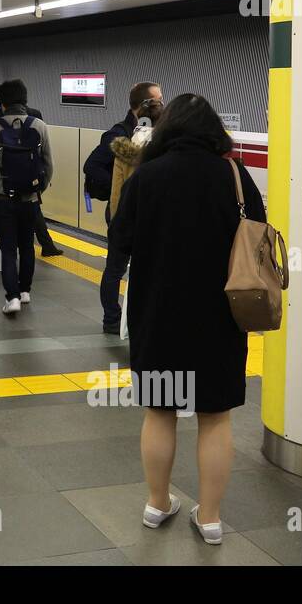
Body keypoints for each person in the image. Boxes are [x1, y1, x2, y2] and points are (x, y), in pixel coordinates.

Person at [107, 93, 265, 546]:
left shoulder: (148, 175)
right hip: (221, 314)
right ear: (214, 130)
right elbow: (257, 230)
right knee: (215, 417)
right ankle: (210, 517)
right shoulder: (233, 174)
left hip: (159, 312)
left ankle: (157, 503)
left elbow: (120, 240)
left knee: (160, 411)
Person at [84, 81, 163, 334]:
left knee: (133, 268)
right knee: (116, 268)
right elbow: (92, 166)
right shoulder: (118, 134)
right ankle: (112, 319)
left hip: (137, 212)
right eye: (159, 99)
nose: (163, 102)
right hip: (121, 213)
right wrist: (127, 189)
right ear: (144, 105)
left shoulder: (155, 134)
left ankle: (133, 319)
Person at [0, 79, 52, 315]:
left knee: (8, 248)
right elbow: (48, 164)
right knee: (27, 246)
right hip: (30, 199)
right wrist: (38, 189)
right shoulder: (39, 125)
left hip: (4, 198)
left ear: (0, 102)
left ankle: (11, 298)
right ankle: (25, 291)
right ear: (25, 99)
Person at [0, 98, 65, 259]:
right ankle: (45, 245)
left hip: (5, 179)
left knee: (11, 216)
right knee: (33, 210)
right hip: (30, 178)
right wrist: (41, 182)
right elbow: (43, 152)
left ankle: (12, 247)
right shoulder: (36, 117)